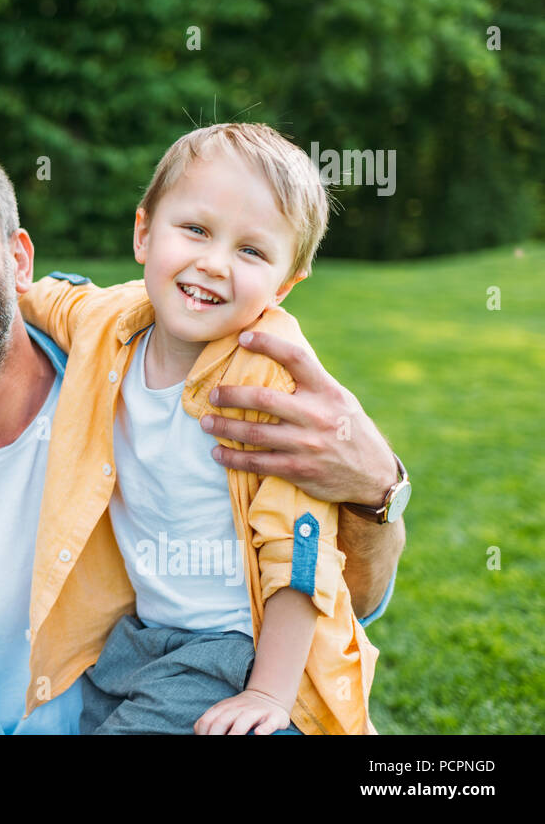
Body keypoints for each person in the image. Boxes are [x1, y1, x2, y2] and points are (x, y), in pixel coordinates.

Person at [0, 131, 406, 734]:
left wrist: (379, 489)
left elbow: (336, 590)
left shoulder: (212, 385)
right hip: (131, 674)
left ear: (18, 259)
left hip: (219, 671)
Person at [22, 123, 402, 735]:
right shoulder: (110, 322)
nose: (213, 263)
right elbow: (56, 300)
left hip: (233, 648)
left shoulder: (268, 384)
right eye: (195, 230)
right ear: (144, 232)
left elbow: (298, 552)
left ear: (283, 286)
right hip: (139, 635)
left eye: (251, 251)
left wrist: (270, 695)